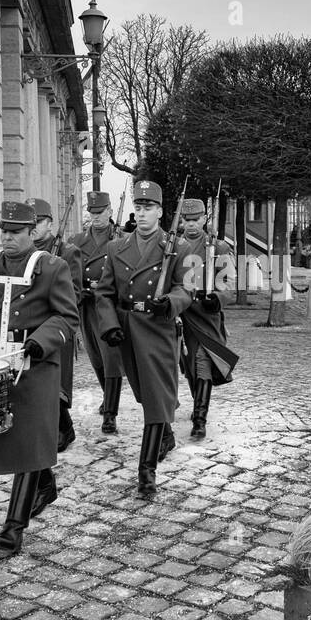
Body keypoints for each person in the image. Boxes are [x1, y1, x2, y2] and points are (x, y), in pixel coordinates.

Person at [0, 201, 78, 553]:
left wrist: (40, 343)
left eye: (16, 232)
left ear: (31, 233)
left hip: (37, 364)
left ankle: (13, 528)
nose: (8, 238)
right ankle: (45, 483)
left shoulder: (53, 268)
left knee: (27, 440)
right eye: (4, 231)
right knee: (15, 437)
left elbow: (67, 318)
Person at [95, 180, 192, 496]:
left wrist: (172, 303)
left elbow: (186, 288)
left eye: (149, 208)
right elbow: (105, 292)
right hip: (126, 327)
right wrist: (109, 324)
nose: (142, 213)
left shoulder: (178, 247)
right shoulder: (116, 247)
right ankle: (165, 433)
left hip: (157, 326)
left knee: (155, 396)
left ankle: (146, 473)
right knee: (143, 392)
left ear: (161, 212)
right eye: (138, 207)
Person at [174, 198, 239, 439]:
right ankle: (196, 403)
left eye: (195, 219)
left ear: (204, 219)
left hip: (207, 315)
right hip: (181, 314)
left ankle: (200, 418)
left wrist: (218, 300)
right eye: (186, 220)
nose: (191, 224)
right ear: (181, 221)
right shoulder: (173, 246)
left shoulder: (218, 247)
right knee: (189, 365)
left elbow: (230, 285)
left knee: (203, 361)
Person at [64, 191, 125, 433]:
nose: (96, 217)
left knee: (112, 359)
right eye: (93, 212)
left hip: (109, 306)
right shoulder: (77, 241)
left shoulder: (122, 238)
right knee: (96, 358)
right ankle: (106, 397)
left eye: (100, 212)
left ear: (110, 211)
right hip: (86, 306)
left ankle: (110, 413)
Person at [29, 197, 77, 451]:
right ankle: (57, 427)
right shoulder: (26, 254)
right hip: (32, 328)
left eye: (39, 221)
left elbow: (75, 293)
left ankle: (63, 429)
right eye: (31, 222)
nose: (34, 227)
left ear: (50, 224)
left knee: (56, 381)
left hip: (57, 324)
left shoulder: (68, 252)